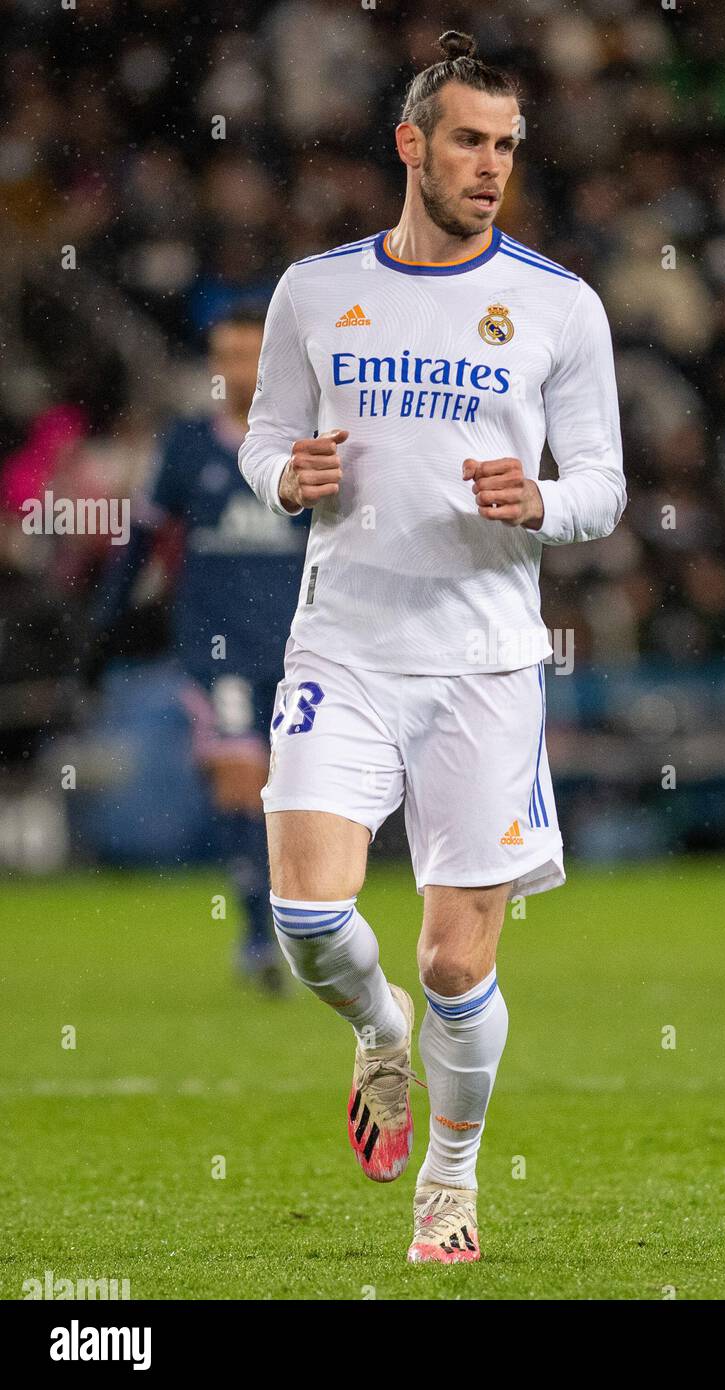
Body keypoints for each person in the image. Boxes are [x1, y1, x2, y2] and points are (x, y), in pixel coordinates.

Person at [239, 31, 625, 1262]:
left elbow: (605, 485)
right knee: (307, 918)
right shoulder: (313, 289)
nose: (490, 165)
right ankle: (372, 1030)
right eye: (468, 139)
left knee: (458, 963)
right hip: (341, 646)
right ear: (409, 143)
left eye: (506, 145)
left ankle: (448, 1187)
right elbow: (263, 441)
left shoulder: (560, 306)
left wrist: (542, 503)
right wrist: (282, 478)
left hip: (484, 665)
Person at [92, 307, 309, 992]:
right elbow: (138, 545)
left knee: (296, 798)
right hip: (219, 651)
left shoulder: (310, 447)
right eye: (226, 356)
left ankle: (302, 926)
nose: (237, 370)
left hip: (308, 650)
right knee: (240, 779)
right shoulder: (186, 447)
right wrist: (102, 629)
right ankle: (256, 939)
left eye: (251, 355)